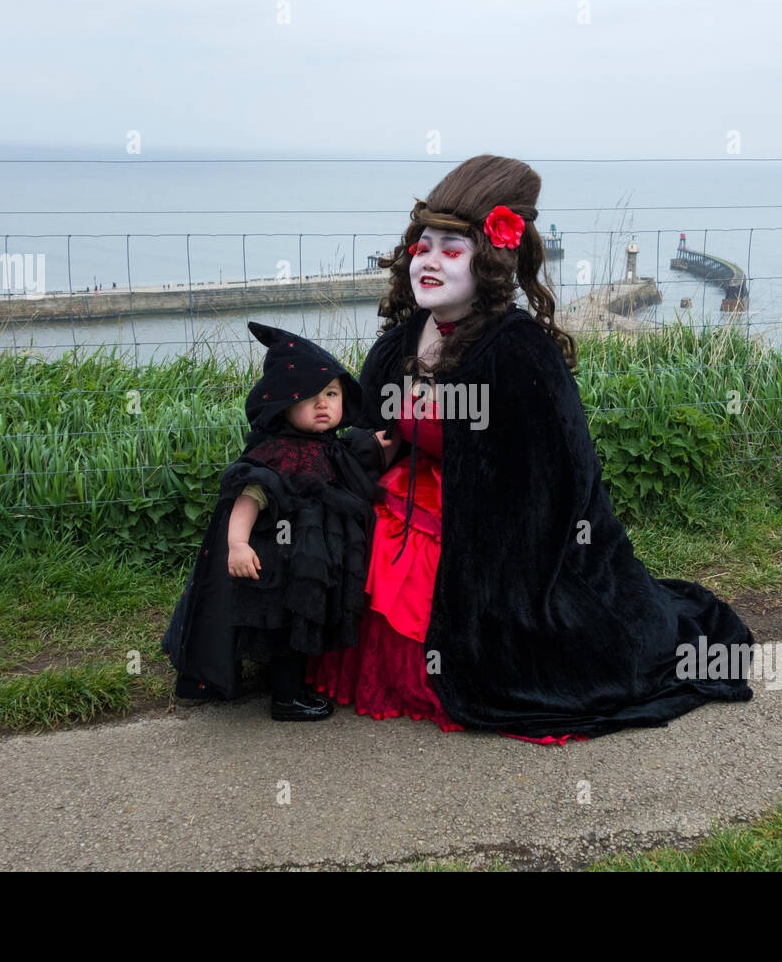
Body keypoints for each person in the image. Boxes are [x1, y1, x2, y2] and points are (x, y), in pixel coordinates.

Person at [307, 155, 756, 742]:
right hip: (407, 499)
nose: (429, 261)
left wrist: (477, 516)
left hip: (497, 525)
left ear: (491, 259)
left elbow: (555, 476)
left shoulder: (519, 351)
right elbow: (374, 428)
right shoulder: (398, 343)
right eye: (424, 245)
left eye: (452, 248)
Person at [161, 321, 386, 720]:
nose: (323, 405)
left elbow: (355, 460)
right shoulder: (278, 453)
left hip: (318, 562)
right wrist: (237, 544)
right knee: (288, 626)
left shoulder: (327, 446)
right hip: (286, 565)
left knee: (307, 620)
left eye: (332, 394)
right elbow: (249, 496)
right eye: (310, 397)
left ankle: (293, 685)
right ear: (283, 403)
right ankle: (286, 697)